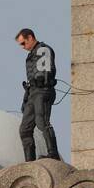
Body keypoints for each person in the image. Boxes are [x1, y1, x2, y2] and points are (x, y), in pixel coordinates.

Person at [15, 28, 61, 162]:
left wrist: (42, 79)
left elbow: (45, 71)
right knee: (25, 129)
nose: (23, 47)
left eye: (23, 43)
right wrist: (26, 98)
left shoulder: (42, 49)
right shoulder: (30, 56)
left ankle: (53, 154)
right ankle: (29, 162)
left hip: (43, 91)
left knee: (42, 122)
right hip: (33, 94)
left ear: (30, 37)